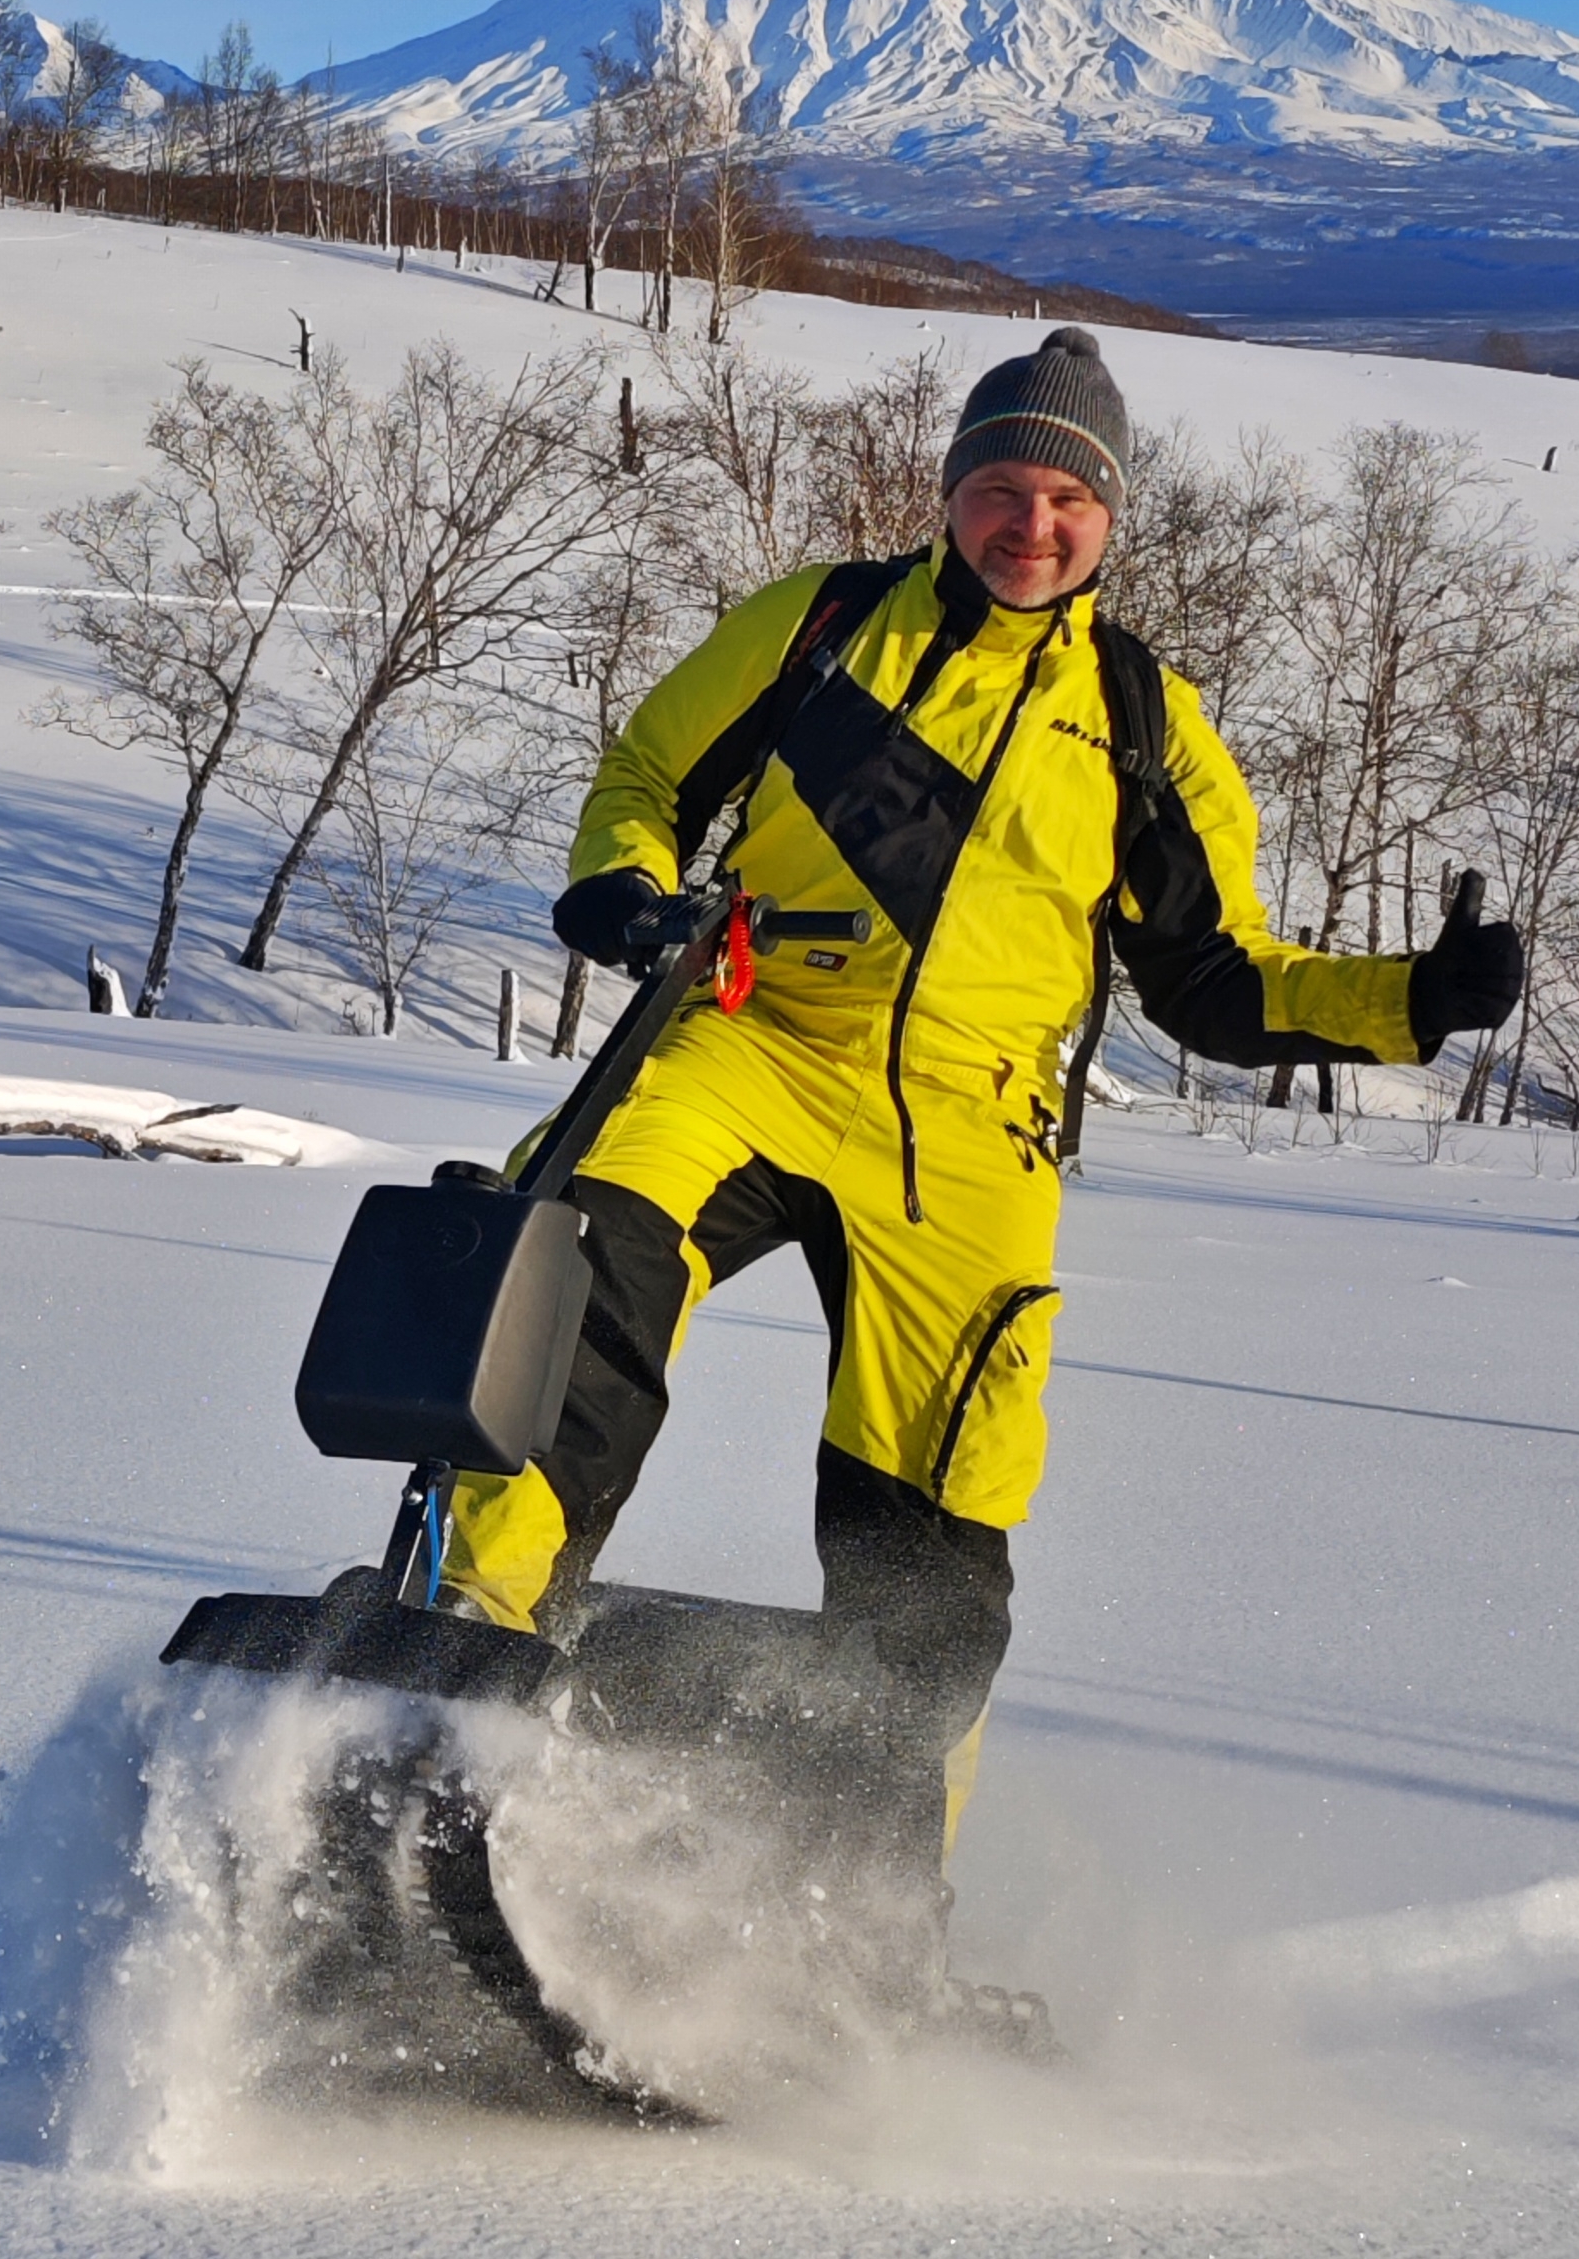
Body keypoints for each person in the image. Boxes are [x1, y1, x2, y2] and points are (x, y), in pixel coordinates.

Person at [438, 325, 1522, 1942]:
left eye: (1068, 498)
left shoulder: (1144, 721)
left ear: (1110, 522)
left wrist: (1415, 1000)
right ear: (952, 493)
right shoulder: (818, 628)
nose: (1034, 522)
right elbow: (653, 769)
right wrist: (625, 883)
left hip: (970, 1140)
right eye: (1004, 485)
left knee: (936, 1527)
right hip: (749, 1044)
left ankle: (874, 1898)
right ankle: (475, 1654)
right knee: (581, 1240)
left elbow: (1222, 979)